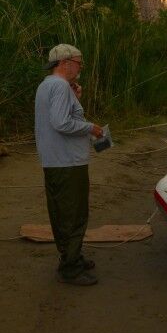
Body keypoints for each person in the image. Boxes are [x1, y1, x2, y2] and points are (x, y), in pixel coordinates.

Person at [34, 44, 104, 286]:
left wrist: (74, 99)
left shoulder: (48, 85)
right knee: (73, 215)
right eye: (79, 62)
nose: (80, 67)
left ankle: (72, 257)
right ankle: (70, 267)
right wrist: (91, 128)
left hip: (57, 161)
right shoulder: (60, 86)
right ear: (65, 63)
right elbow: (62, 123)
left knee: (64, 212)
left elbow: (61, 118)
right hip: (67, 162)